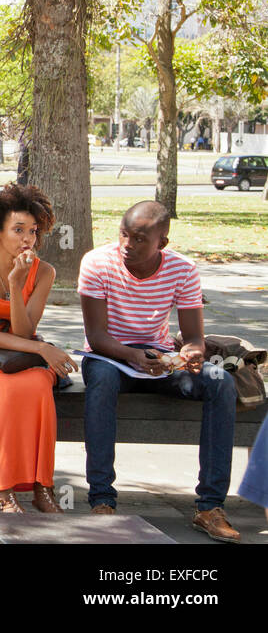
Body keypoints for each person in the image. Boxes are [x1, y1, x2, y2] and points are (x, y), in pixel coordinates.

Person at [78, 200, 240, 542]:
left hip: (160, 358)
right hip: (109, 356)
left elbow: (194, 337)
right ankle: (102, 500)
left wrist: (192, 354)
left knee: (221, 382)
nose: (127, 245)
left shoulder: (182, 270)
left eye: (138, 239)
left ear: (161, 243)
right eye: (124, 234)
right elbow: (96, 336)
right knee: (102, 382)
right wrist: (132, 357)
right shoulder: (97, 263)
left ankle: (209, 506)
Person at [0, 184, 78, 513]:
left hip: (24, 355)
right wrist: (44, 351)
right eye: (18, 230)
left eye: (33, 231)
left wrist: (16, 284)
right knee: (8, 393)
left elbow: (26, 331)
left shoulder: (44, 273)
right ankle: (4, 493)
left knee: (40, 385)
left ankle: (43, 487)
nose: (28, 238)